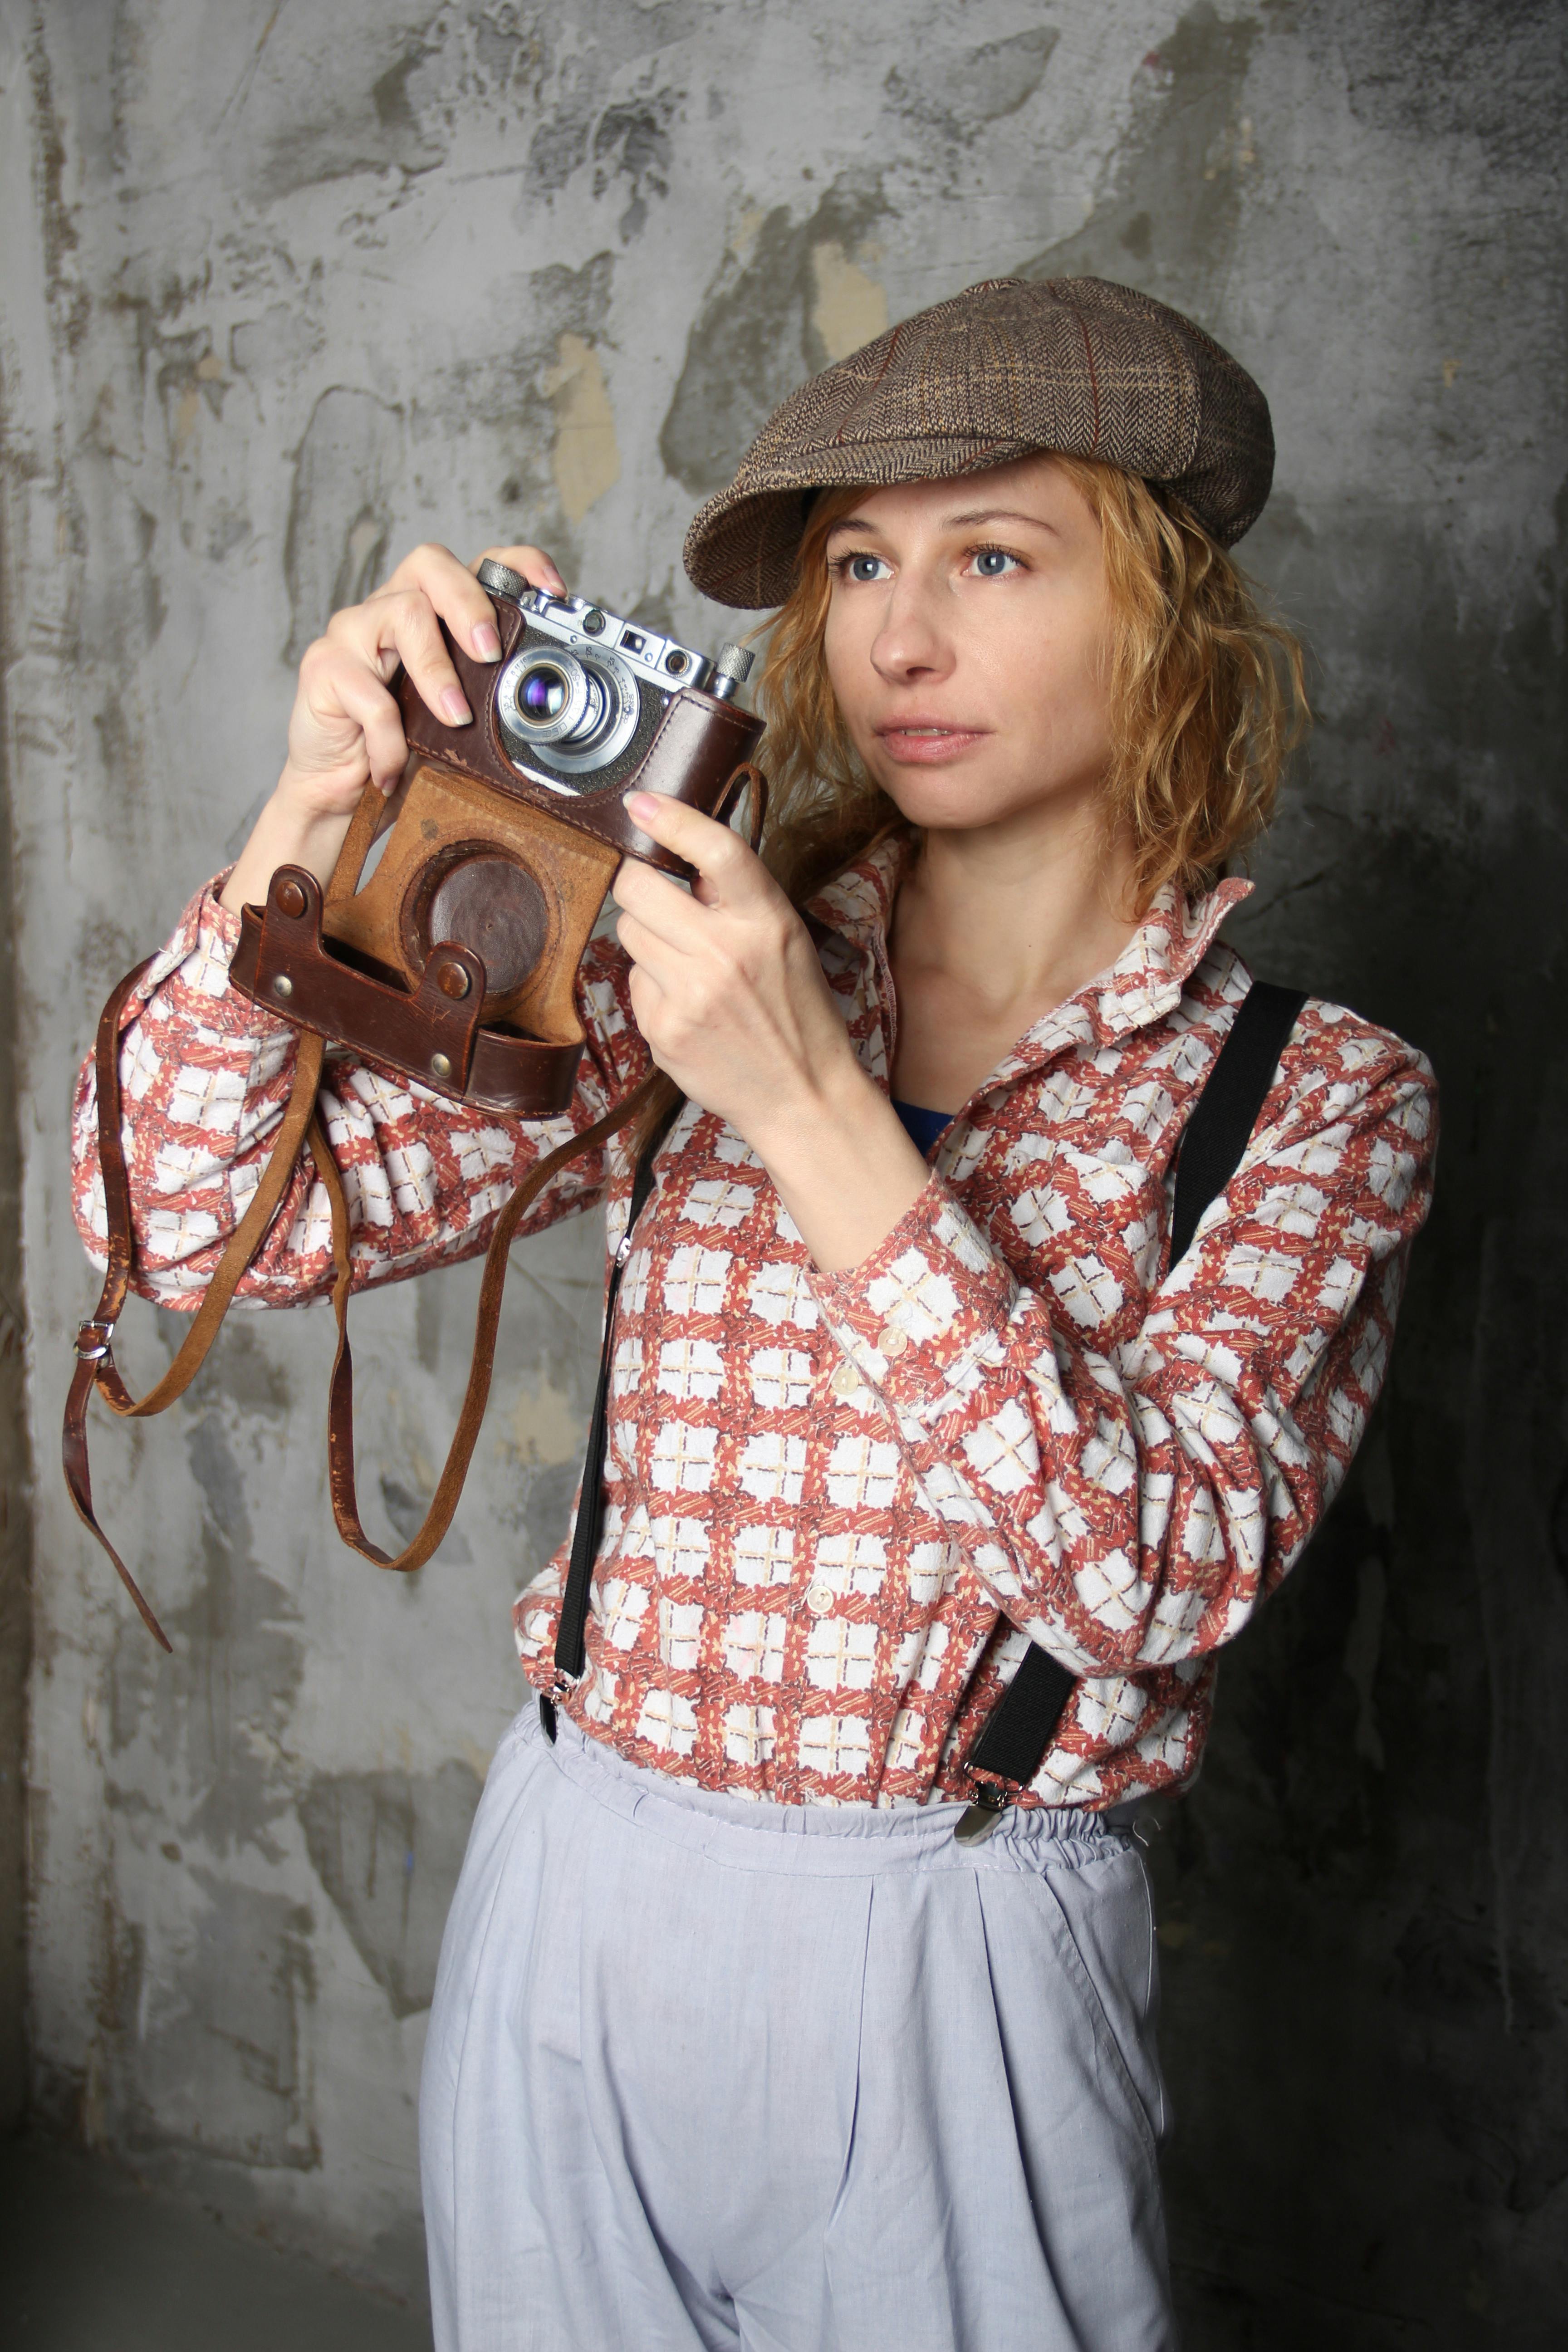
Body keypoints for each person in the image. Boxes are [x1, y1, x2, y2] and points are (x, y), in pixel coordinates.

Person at [71, 276, 1436, 2352]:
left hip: (958, 1941)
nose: (900, 637)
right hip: (578, 1875)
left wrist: (808, 1100)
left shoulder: (1315, 1098)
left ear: (1163, 610)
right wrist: (313, 816)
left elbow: (1148, 1577)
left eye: (993, 556)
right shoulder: (670, 960)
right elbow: (180, 1226)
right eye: (859, 564)